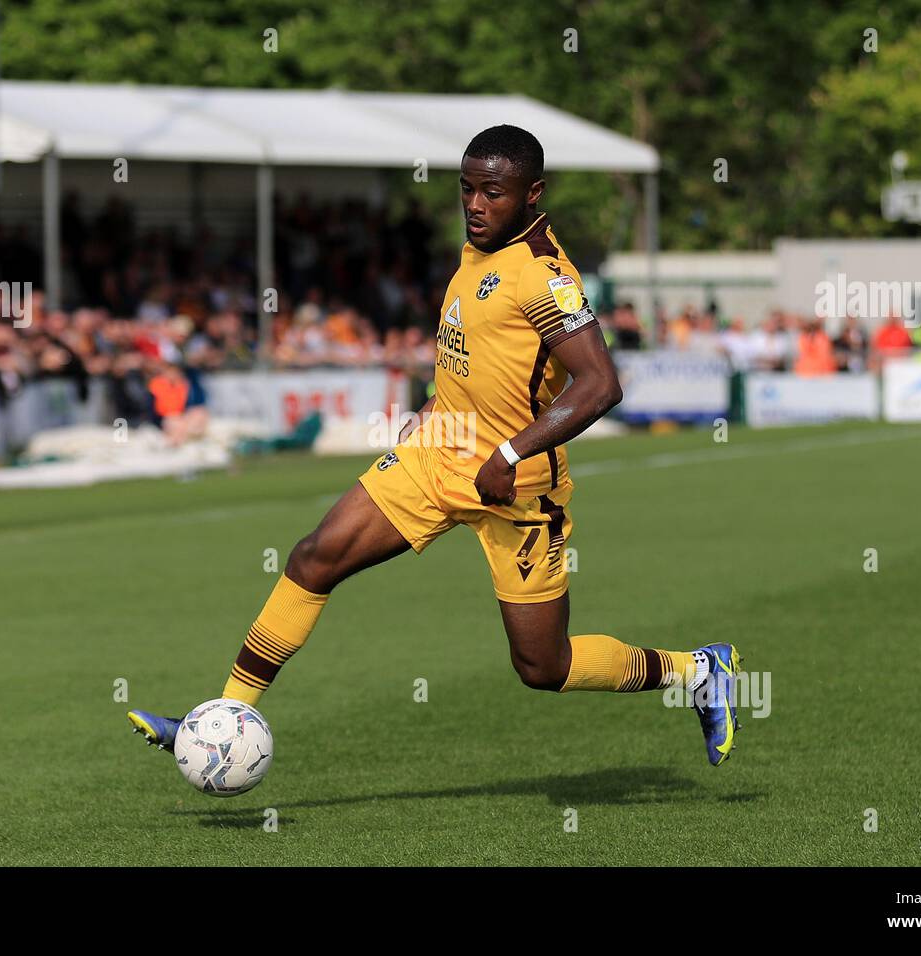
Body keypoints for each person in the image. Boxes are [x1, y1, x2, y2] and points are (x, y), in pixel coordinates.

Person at [128, 126, 743, 769]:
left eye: (493, 193)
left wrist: (508, 455)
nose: (475, 205)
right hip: (436, 454)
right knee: (315, 557)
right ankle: (218, 721)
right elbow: (479, 353)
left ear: (532, 194)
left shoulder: (544, 277)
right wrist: (430, 408)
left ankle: (696, 670)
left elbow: (599, 386)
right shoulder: (479, 249)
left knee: (542, 665)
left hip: (517, 486)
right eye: (467, 189)